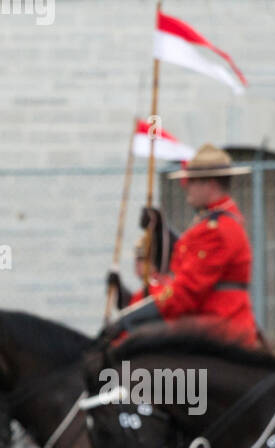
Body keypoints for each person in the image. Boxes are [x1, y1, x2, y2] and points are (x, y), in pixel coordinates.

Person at [107, 144, 260, 346]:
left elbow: (186, 291)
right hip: (205, 320)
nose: (185, 185)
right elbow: (187, 263)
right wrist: (159, 227)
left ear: (211, 185)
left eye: (192, 181)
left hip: (219, 323)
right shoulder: (213, 223)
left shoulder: (217, 228)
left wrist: (131, 318)